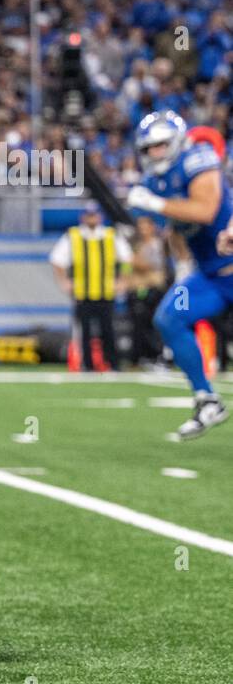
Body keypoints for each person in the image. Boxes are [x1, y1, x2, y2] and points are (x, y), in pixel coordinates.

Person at [128, 110, 233, 438]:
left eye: (161, 145)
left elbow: (204, 210)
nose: (155, 153)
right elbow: (178, 227)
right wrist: (182, 265)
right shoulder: (155, 180)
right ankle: (206, 400)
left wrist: (156, 204)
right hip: (211, 276)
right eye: (150, 148)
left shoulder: (196, 158)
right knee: (169, 318)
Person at [49, 201, 132, 372]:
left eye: (94, 215)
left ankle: (113, 364)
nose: (92, 218)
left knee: (108, 329)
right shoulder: (73, 236)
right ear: (83, 217)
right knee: (84, 331)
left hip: (106, 291)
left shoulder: (111, 235)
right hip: (82, 293)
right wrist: (64, 281)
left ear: (100, 217)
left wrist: (122, 280)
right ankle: (87, 365)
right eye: (88, 215)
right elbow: (57, 259)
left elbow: (127, 259)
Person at [125, 214, 167, 367]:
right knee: (137, 325)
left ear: (152, 227)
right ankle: (140, 356)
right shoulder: (136, 244)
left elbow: (148, 265)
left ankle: (156, 356)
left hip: (152, 290)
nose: (142, 230)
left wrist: (133, 260)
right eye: (140, 226)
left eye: (145, 226)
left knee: (153, 324)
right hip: (137, 289)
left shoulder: (156, 245)